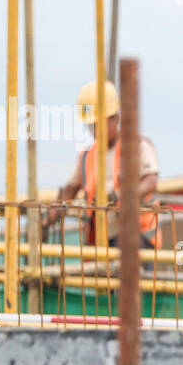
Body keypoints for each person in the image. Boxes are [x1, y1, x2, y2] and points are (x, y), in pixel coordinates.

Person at [45, 79, 162, 249]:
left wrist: (126, 195)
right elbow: (69, 191)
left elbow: (151, 181)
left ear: (116, 118)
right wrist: (49, 218)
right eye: (91, 125)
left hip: (138, 239)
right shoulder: (87, 156)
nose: (95, 130)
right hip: (102, 240)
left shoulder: (137, 146)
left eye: (99, 123)